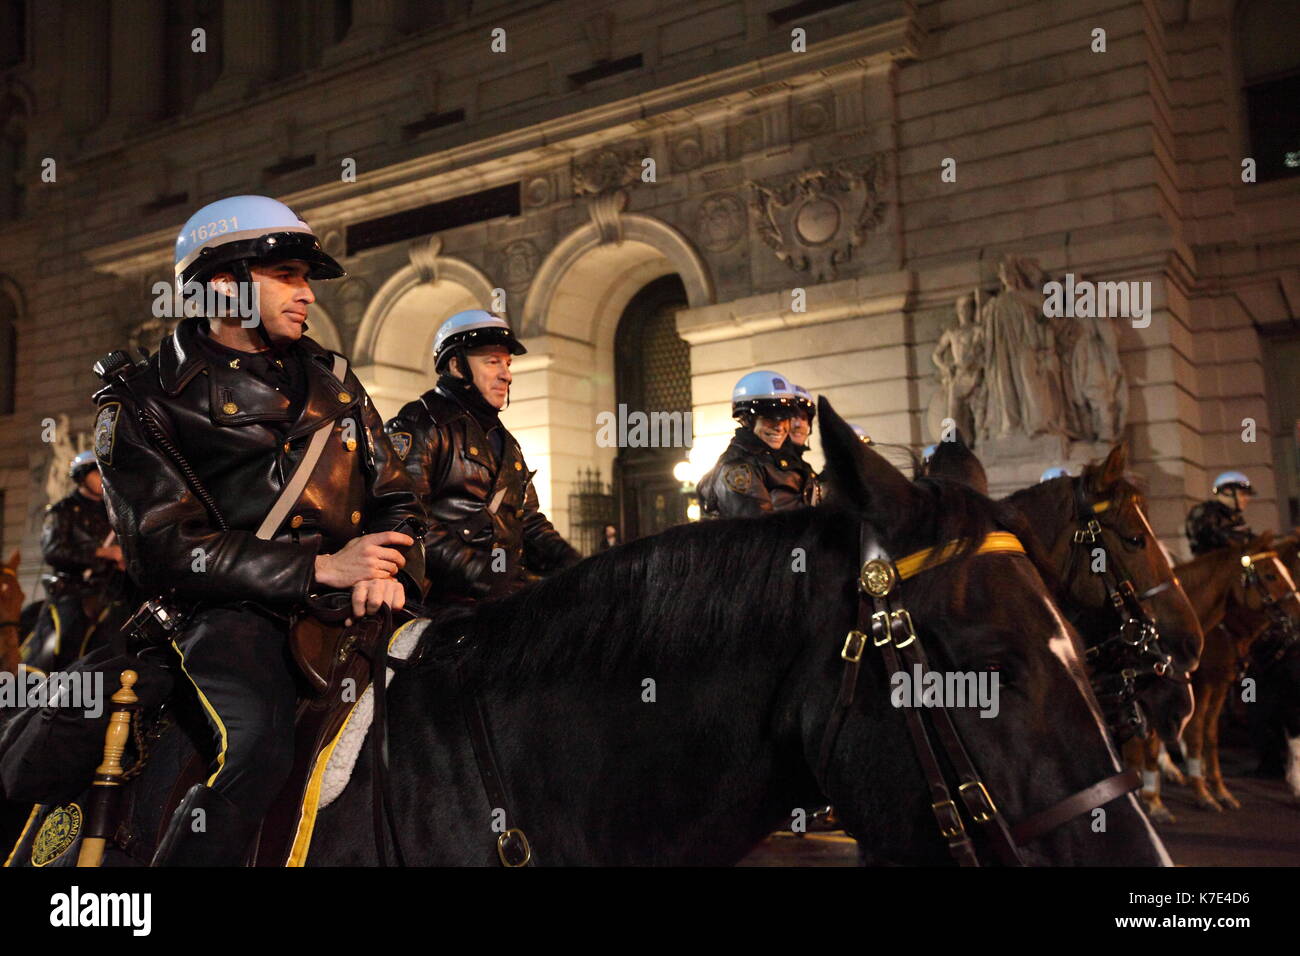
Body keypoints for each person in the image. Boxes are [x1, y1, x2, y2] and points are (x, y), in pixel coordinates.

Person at [93, 195, 426, 866]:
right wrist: (321, 570)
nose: (306, 294)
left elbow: (398, 492)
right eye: (287, 277)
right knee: (260, 747)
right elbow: (163, 547)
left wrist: (386, 567)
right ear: (224, 284)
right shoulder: (143, 398)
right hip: (225, 616)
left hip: (356, 601)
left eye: (306, 278)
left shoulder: (334, 379)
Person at [384, 310, 580, 605]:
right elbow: (405, 519)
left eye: (508, 363)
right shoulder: (420, 423)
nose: (507, 375)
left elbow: (529, 522)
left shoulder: (506, 442)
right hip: (440, 606)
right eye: (492, 362)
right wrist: (486, 575)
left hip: (502, 603)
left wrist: (580, 567)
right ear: (456, 365)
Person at [22, 451, 131, 673]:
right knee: (71, 633)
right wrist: (102, 552)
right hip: (74, 590)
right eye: (97, 474)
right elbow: (53, 551)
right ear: (82, 476)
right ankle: (61, 683)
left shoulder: (115, 513)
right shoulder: (62, 510)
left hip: (113, 587)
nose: (103, 479)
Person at [698, 371, 811, 517]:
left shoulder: (786, 460)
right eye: (770, 418)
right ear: (747, 419)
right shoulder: (737, 469)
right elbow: (760, 534)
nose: (779, 427)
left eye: (785, 418)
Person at [1185, 471, 1255, 555]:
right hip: (1212, 565)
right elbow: (1207, 536)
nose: (1247, 499)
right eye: (1243, 494)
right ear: (1227, 491)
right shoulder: (1205, 512)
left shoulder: (1235, 518)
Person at [784, 384, 820, 504]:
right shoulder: (768, 465)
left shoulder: (805, 468)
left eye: (804, 418)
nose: (799, 424)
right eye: (793, 417)